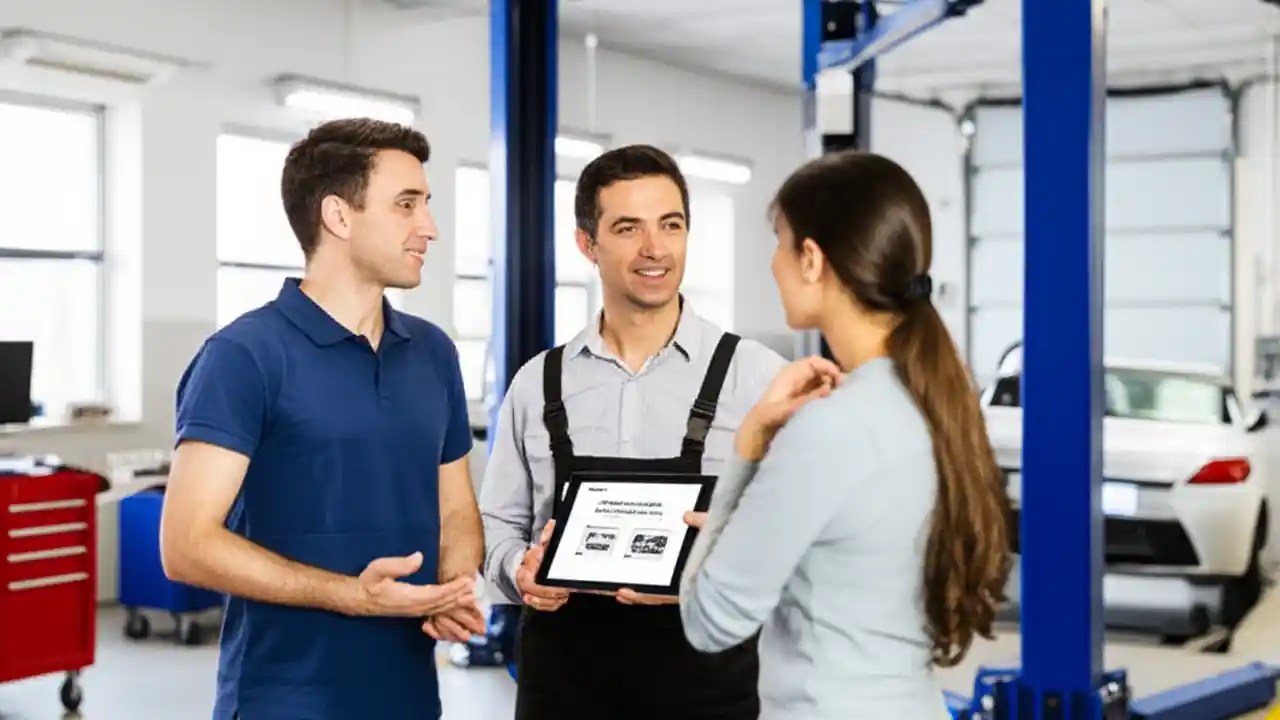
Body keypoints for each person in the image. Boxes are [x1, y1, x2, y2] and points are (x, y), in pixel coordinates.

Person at [159, 118, 487, 720]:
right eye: (406, 205)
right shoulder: (244, 356)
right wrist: (351, 597)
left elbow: (456, 508)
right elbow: (186, 545)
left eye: (426, 204)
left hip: (410, 697)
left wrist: (453, 583)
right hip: (282, 699)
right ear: (339, 216)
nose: (429, 228)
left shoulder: (434, 353)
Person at [677, 150, 1013, 719]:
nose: (773, 264)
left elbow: (709, 619)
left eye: (779, 243)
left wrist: (748, 448)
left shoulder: (830, 428)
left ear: (812, 259)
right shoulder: (934, 404)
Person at [478, 144, 787, 719]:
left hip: (706, 691)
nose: (655, 249)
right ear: (587, 244)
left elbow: (794, 533)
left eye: (671, 225)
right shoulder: (536, 383)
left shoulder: (758, 378)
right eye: (628, 228)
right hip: (562, 692)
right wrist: (517, 570)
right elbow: (498, 522)